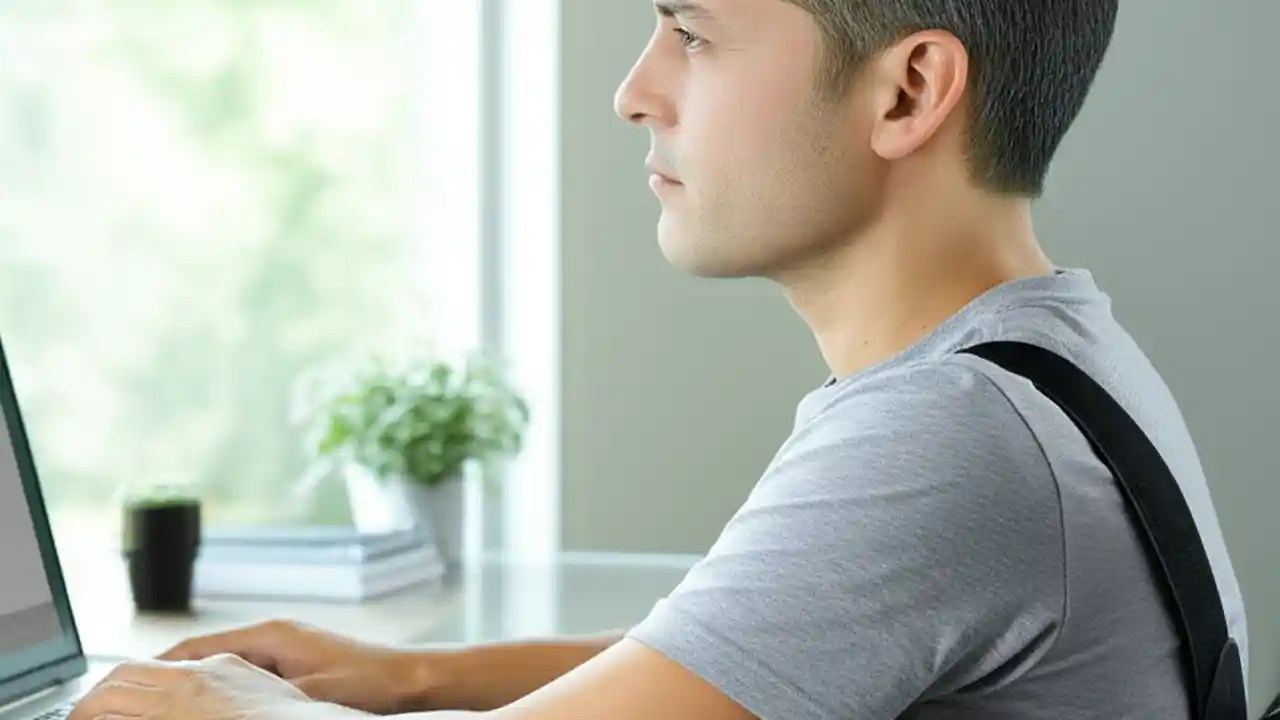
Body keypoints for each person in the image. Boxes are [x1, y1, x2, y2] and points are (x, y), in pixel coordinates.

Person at [68, 0, 1249, 718]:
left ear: (907, 91)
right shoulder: (1041, 358)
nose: (634, 92)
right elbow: (750, 655)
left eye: (690, 34)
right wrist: (410, 678)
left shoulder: (949, 435)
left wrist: (234, 714)